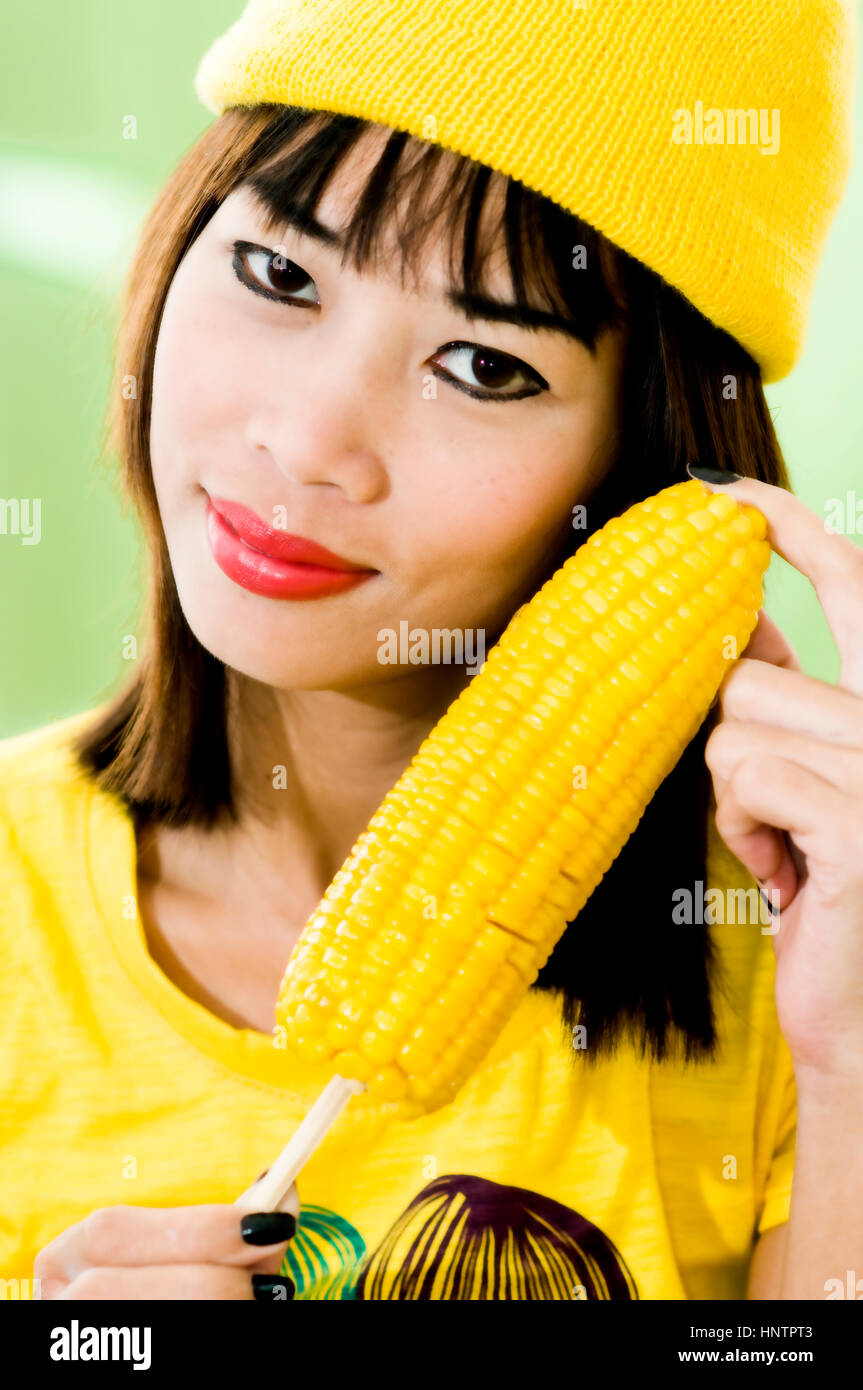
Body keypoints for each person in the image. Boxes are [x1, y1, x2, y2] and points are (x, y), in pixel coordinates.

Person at [1, 0, 860, 1301]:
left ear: (635, 466)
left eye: (484, 363)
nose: (307, 444)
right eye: (282, 275)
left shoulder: (796, 970)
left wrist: (852, 1054)